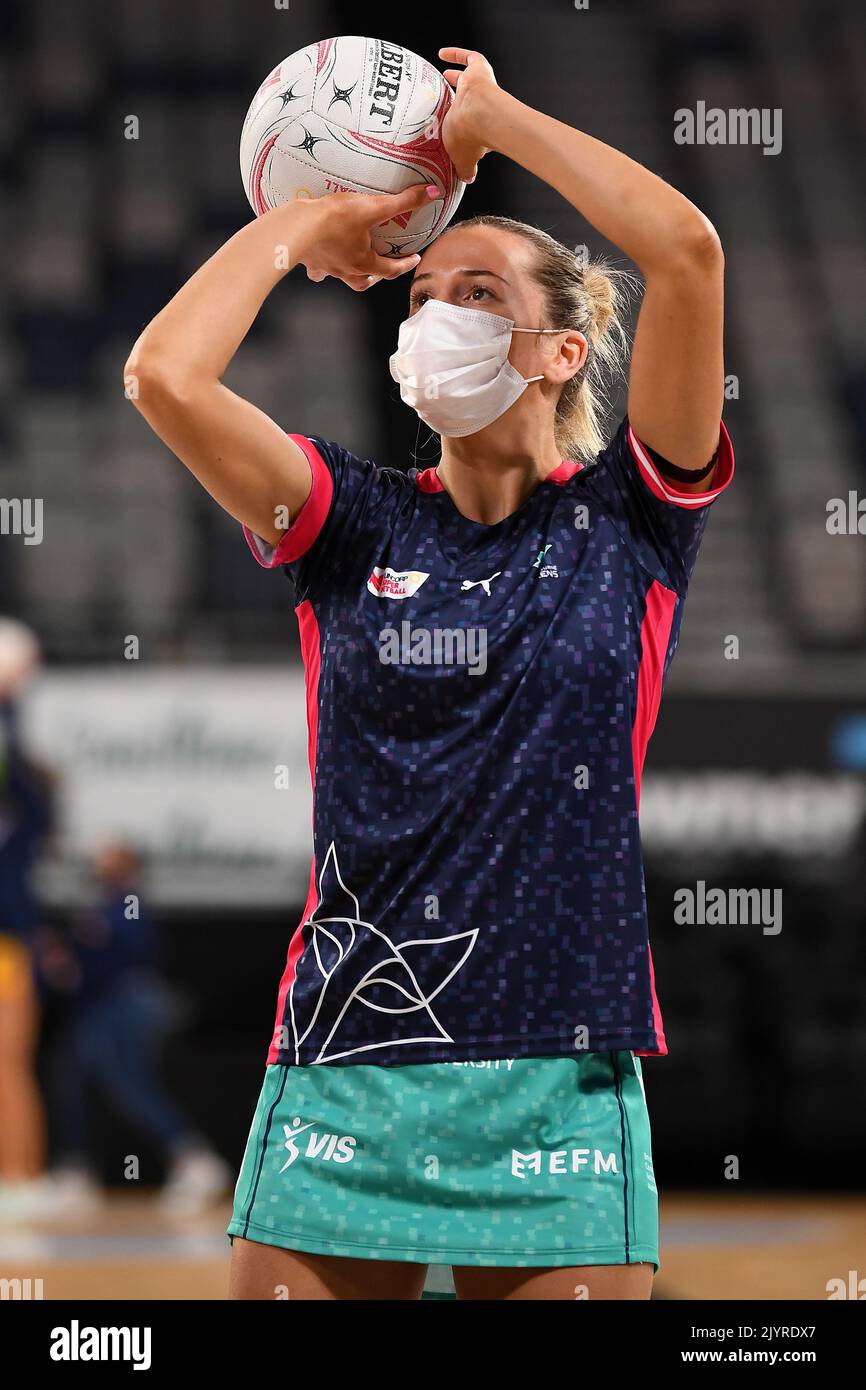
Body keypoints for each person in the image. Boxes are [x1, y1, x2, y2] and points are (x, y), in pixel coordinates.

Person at [125, 46, 733, 1300]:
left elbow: (684, 252)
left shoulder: (632, 520)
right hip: (348, 1049)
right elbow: (163, 378)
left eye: (474, 292)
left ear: (563, 353)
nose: (434, 316)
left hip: (554, 1058)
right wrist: (298, 225)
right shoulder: (348, 519)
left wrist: (500, 121)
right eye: (419, 298)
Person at [43, 842, 231, 1217]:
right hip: (101, 1008)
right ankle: (75, 1173)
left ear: (126, 864)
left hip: (123, 1005)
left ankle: (195, 1160)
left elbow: (131, 957)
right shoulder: (106, 905)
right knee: (73, 1080)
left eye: (108, 856)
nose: (98, 862)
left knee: (129, 1083)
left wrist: (76, 963)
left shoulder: (128, 903)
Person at [0, 619, 54, 1224]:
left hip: (10, 940)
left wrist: (9, 700)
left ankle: (23, 1174)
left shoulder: (25, 800)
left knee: (9, 1062)